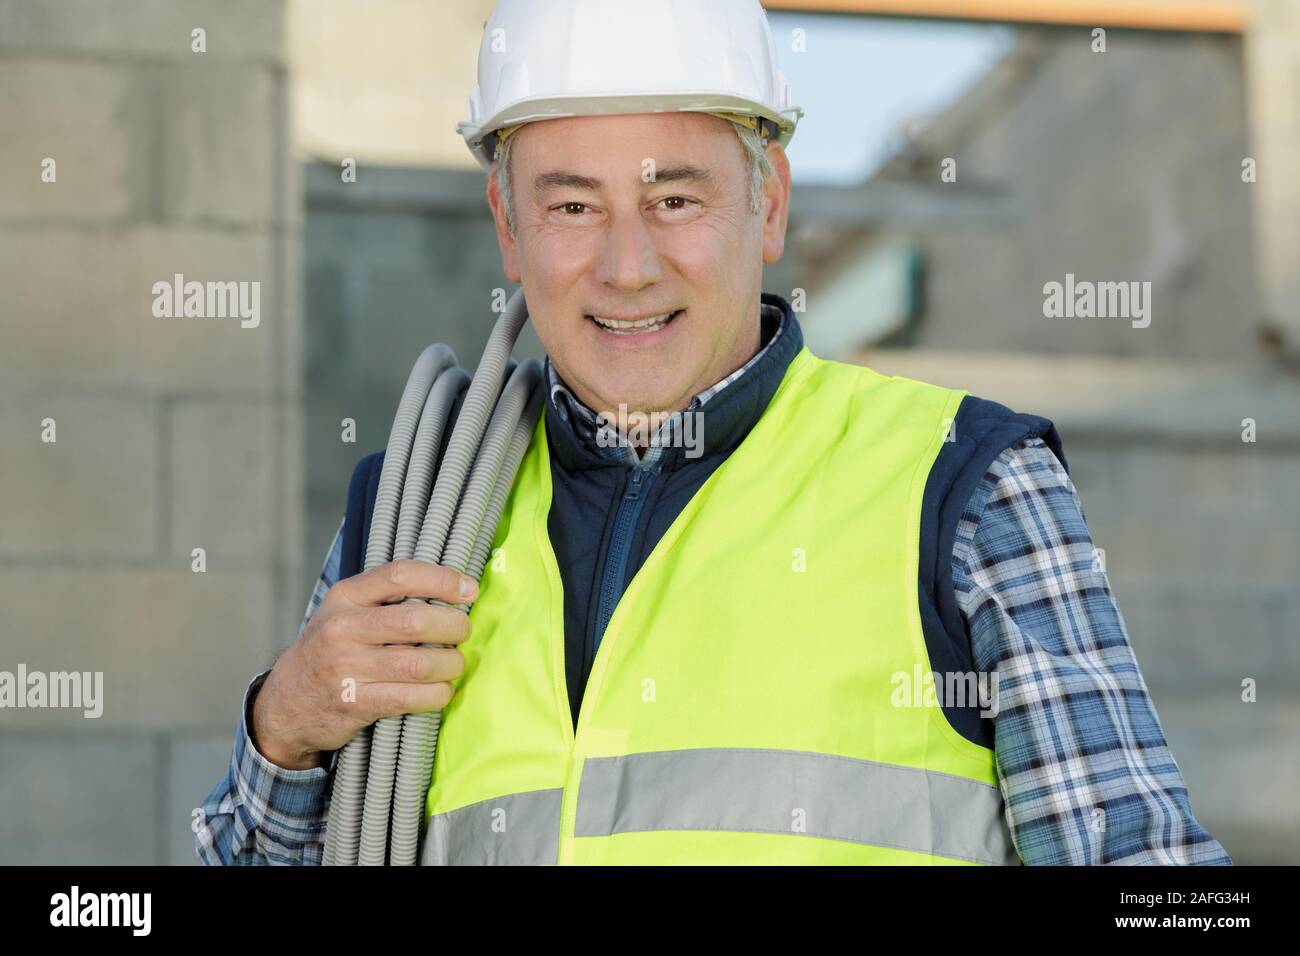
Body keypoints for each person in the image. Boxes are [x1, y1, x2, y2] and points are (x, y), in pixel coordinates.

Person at [197, 0, 1229, 866]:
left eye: (674, 196)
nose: (628, 264)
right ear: (510, 230)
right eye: (571, 207)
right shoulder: (407, 520)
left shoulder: (963, 489)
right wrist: (281, 731)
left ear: (768, 204)